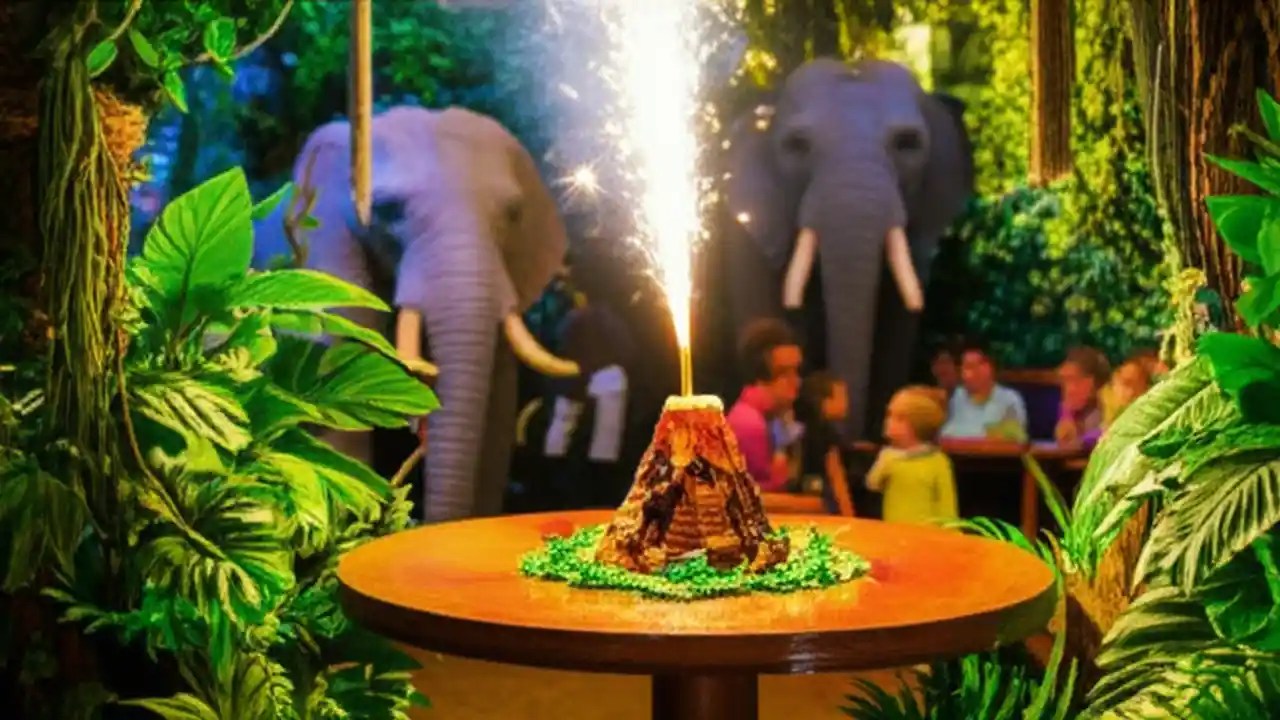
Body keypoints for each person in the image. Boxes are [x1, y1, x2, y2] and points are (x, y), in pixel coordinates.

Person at [727, 318, 803, 492]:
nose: (796, 382)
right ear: (760, 375)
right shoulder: (749, 424)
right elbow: (759, 496)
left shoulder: (769, 418)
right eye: (784, 373)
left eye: (796, 371)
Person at [866, 386, 957, 524]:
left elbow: (947, 507)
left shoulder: (938, 461)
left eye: (900, 418)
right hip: (894, 532)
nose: (889, 422)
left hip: (927, 536)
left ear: (919, 423)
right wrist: (884, 462)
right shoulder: (888, 456)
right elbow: (872, 484)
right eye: (889, 414)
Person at [940, 340, 1028, 441]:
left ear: (987, 368)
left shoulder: (1009, 400)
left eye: (970, 367)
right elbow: (946, 433)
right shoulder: (958, 396)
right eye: (963, 368)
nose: (965, 375)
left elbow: (1015, 438)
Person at [798, 371, 855, 516]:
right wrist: (849, 513)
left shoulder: (803, 428)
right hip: (823, 503)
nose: (847, 403)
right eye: (842, 397)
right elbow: (836, 477)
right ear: (824, 401)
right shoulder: (827, 433)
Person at [1056, 346, 1110, 449]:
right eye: (1064, 381)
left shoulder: (1110, 405)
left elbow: (1107, 434)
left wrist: (1081, 442)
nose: (1069, 389)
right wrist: (1067, 415)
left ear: (1095, 382)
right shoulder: (1069, 408)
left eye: (1075, 380)